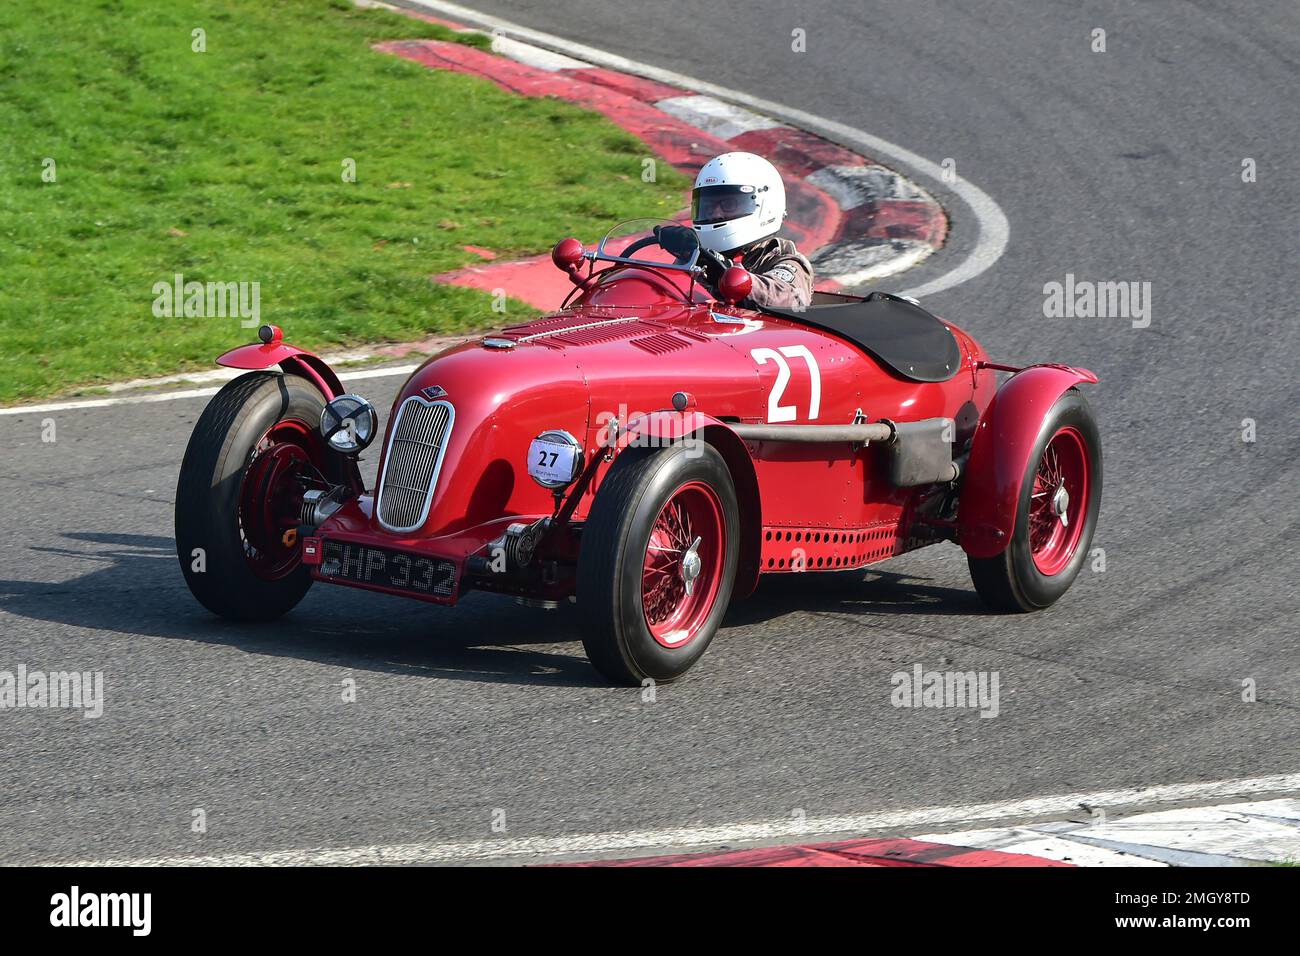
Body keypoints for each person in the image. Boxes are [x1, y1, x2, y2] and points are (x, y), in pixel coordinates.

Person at [689, 151, 813, 311]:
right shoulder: (700, 257)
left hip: (762, 334)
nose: (715, 214)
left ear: (765, 205)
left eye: (729, 204)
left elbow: (785, 298)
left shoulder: (785, 259)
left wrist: (723, 272)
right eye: (708, 206)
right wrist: (683, 256)